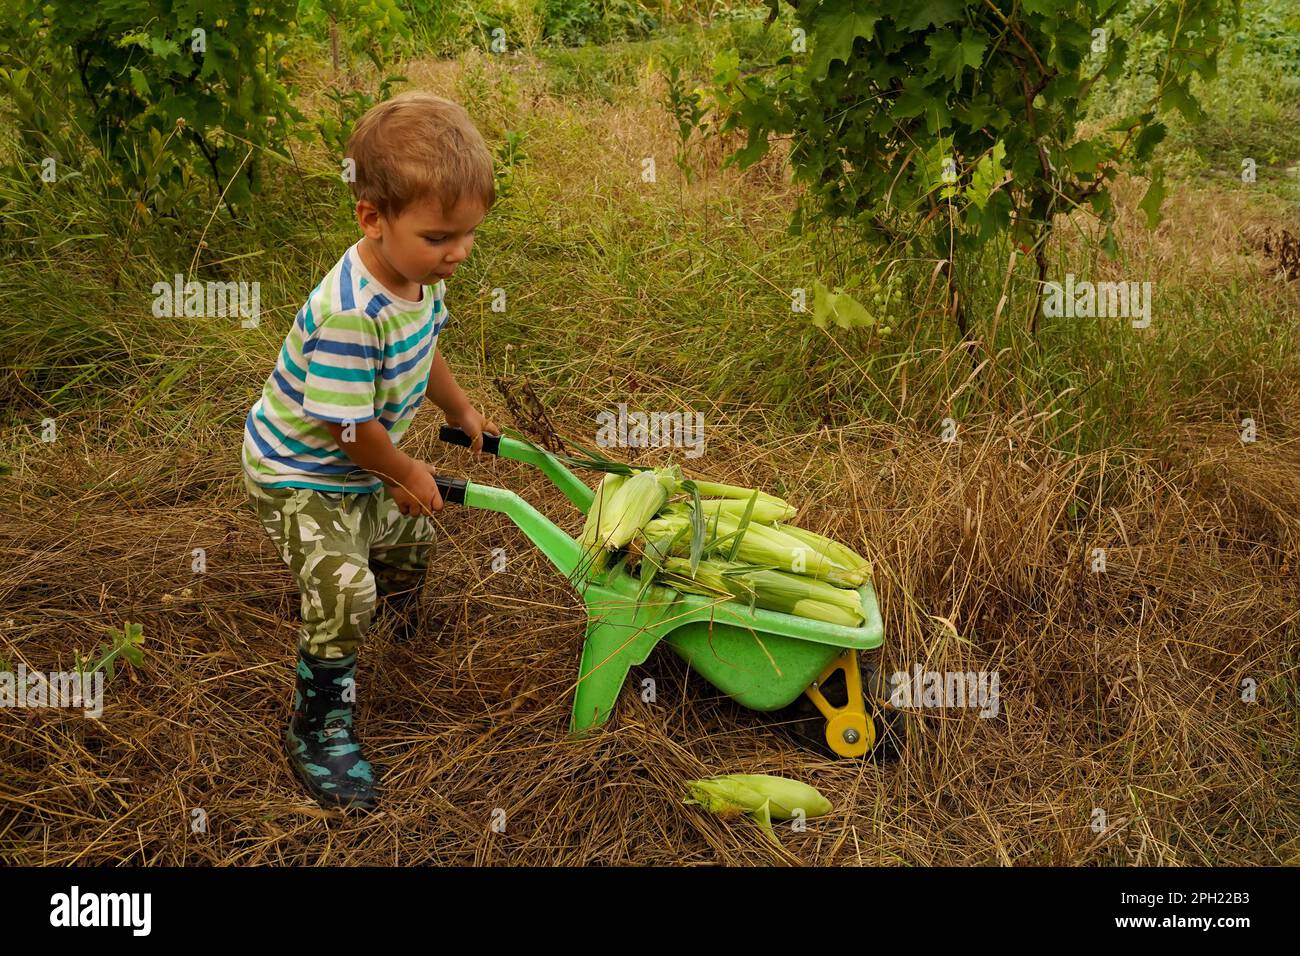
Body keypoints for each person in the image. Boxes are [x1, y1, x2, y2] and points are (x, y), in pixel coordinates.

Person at [241, 91, 501, 812]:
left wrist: (458, 409)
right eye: (440, 236)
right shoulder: (352, 312)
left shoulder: (414, 275)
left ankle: (398, 621)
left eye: (469, 234)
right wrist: (407, 469)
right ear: (371, 218)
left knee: (412, 537)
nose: (457, 252)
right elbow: (346, 432)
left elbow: (428, 346)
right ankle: (318, 726)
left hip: (361, 463)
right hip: (300, 473)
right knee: (344, 585)